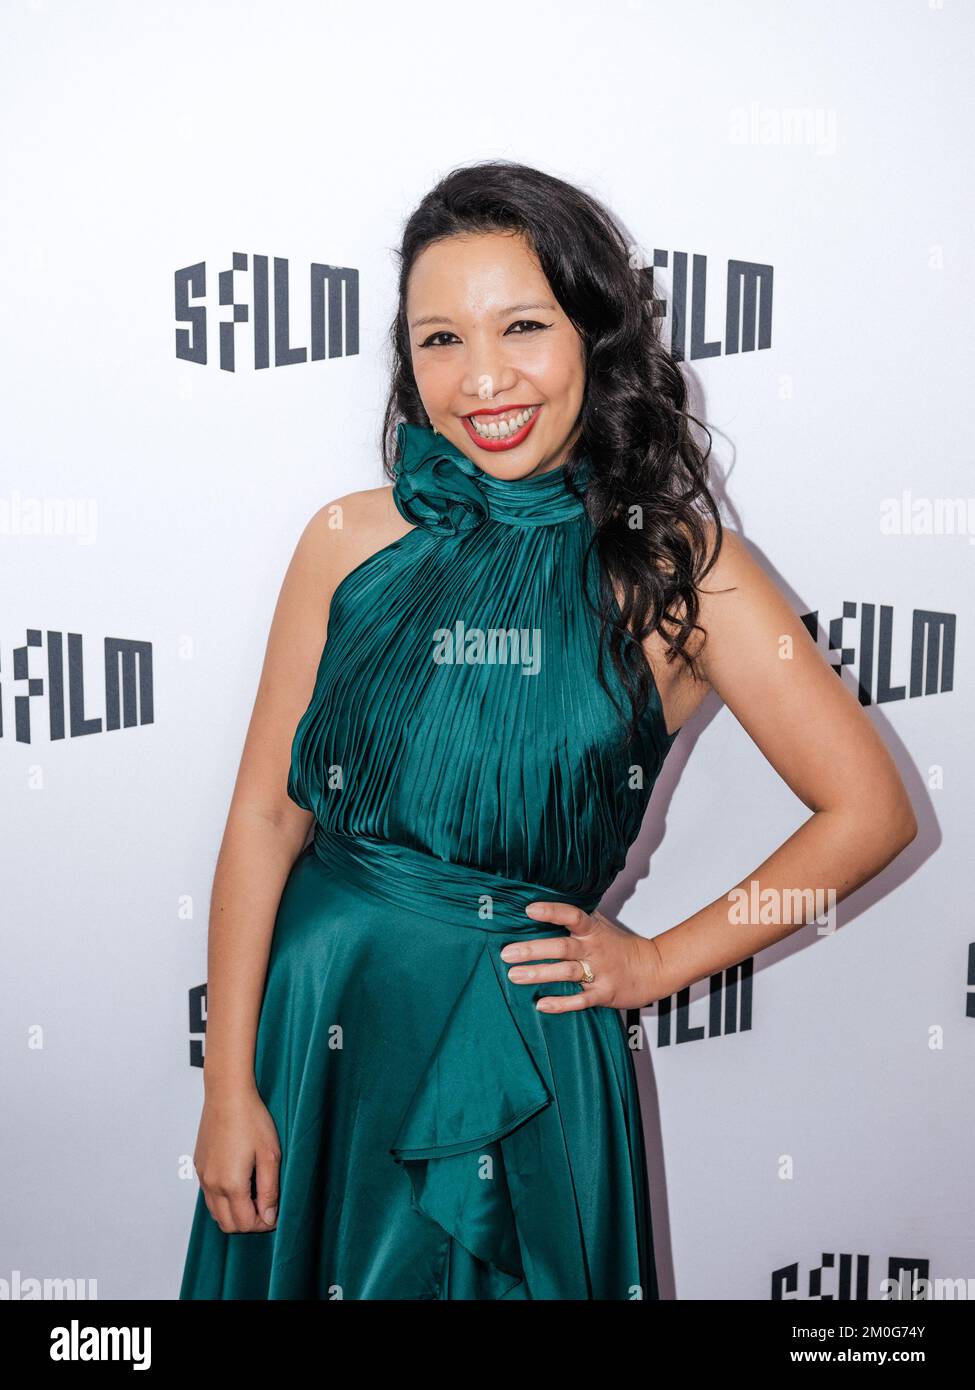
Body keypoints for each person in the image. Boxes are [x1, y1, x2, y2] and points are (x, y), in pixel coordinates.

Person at [178, 160, 917, 1301]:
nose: (482, 379)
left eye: (522, 326)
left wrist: (660, 959)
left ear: (594, 334)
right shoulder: (345, 538)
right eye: (439, 340)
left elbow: (869, 809)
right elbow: (268, 814)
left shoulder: (681, 569)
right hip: (318, 1033)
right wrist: (229, 1081)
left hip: (520, 1057)